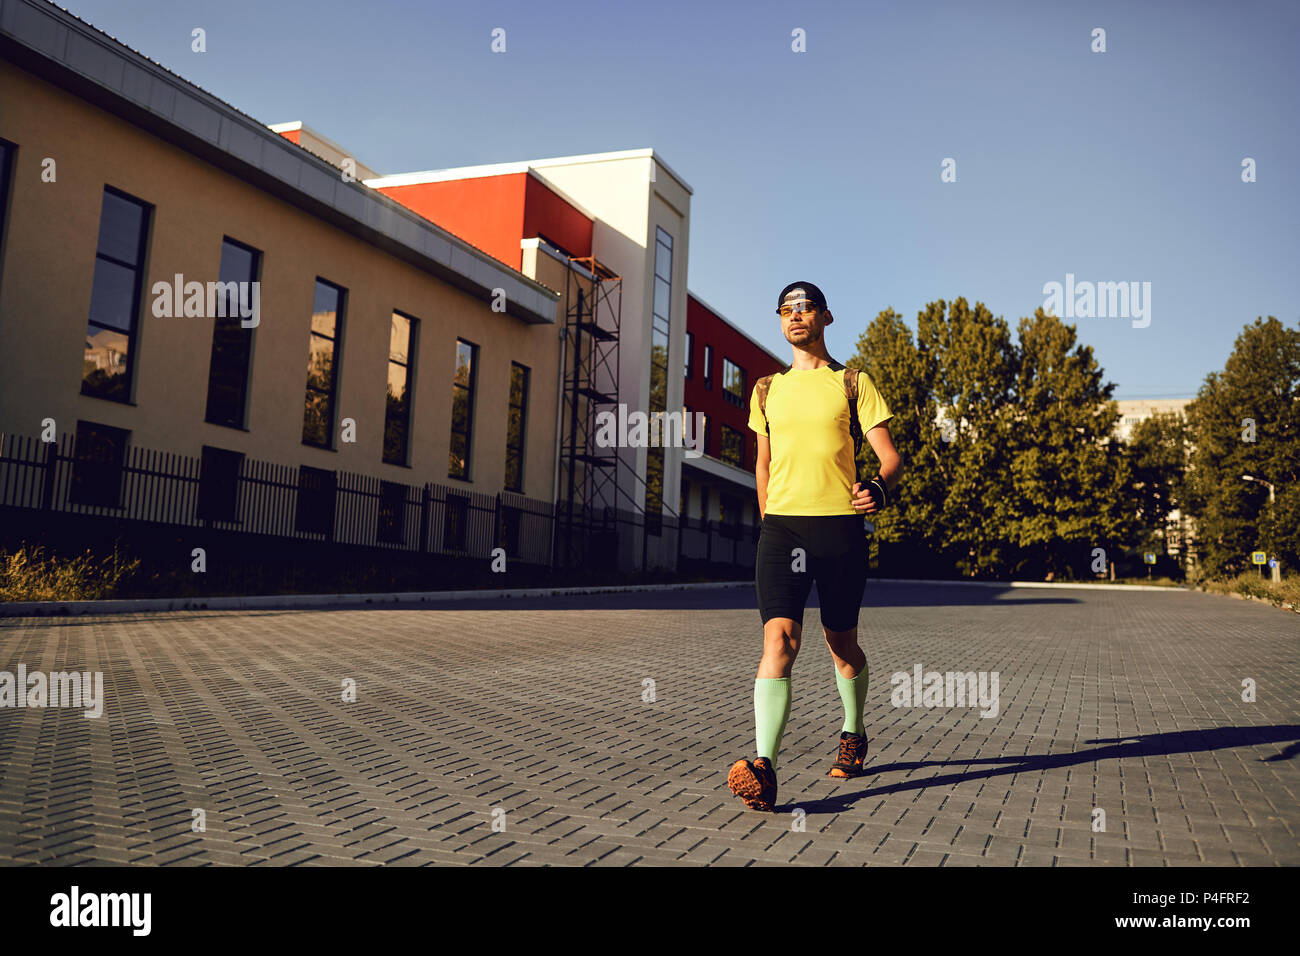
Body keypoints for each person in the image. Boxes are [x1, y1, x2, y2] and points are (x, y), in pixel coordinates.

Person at [726, 281, 902, 812]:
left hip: (839, 531)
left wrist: (877, 486)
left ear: (826, 317)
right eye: (787, 309)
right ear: (781, 320)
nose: (796, 316)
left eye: (806, 308)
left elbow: (889, 457)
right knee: (779, 643)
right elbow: (762, 463)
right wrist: (767, 519)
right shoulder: (765, 390)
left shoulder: (853, 382)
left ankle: (853, 730)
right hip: (782, 531)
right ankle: (765, 767)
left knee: (840, 644)